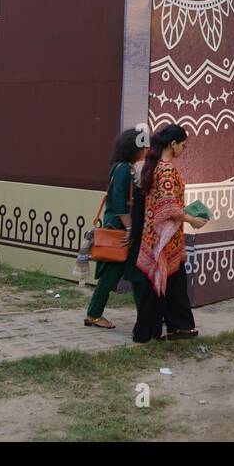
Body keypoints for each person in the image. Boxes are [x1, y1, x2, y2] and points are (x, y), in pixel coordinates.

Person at [135, 124, 209, 342]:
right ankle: (155, 331)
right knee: (161, 286)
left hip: (158, 236)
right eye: (183, 146)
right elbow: (167, 206)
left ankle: (174, 328)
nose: (183, 150)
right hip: (164, 239)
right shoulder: (166, 169)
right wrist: (191, 219)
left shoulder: (156, 166)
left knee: (168, 285)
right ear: (173, 144)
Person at [83, 129, 147, 330]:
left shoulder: (123, 167)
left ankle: (146, 314)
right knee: (112, 273)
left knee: (137, 273)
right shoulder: (123, 170)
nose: (146, 149)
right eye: (143, 146)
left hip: (123, 227)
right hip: (120, 229)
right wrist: (129, 228)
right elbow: (119, 202)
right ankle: (93, 314)